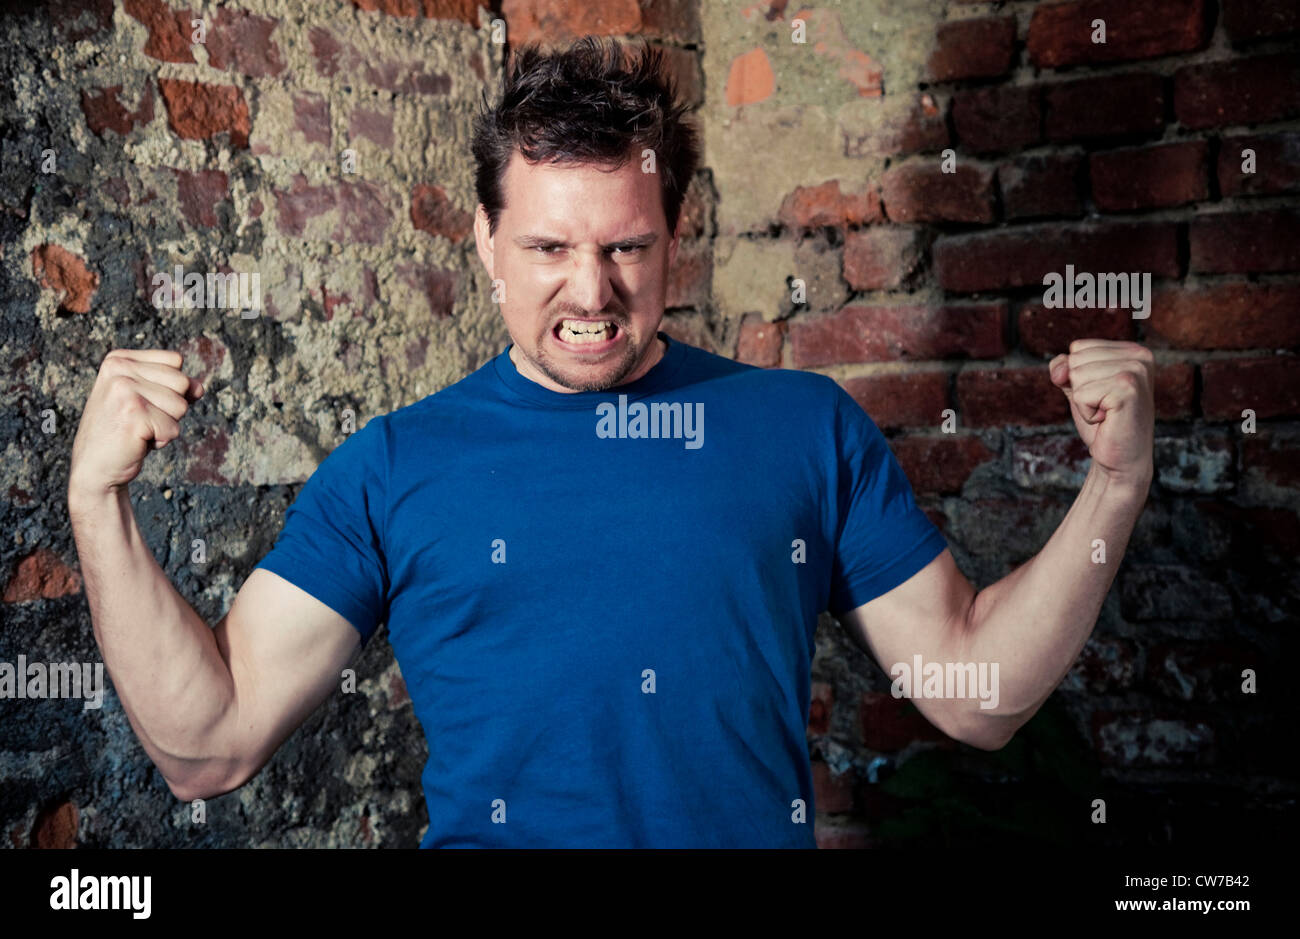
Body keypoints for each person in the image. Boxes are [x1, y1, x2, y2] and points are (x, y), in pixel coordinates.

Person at [66, 37, 1155, 848]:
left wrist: (1113, 485)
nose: (590, 292)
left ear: (675, 236)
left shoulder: (803, 428)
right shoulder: (394, 468)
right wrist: (96, 511)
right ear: (486, 240)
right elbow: (207, 747)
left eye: (626, 246)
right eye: (546, 245)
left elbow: (973, 693)